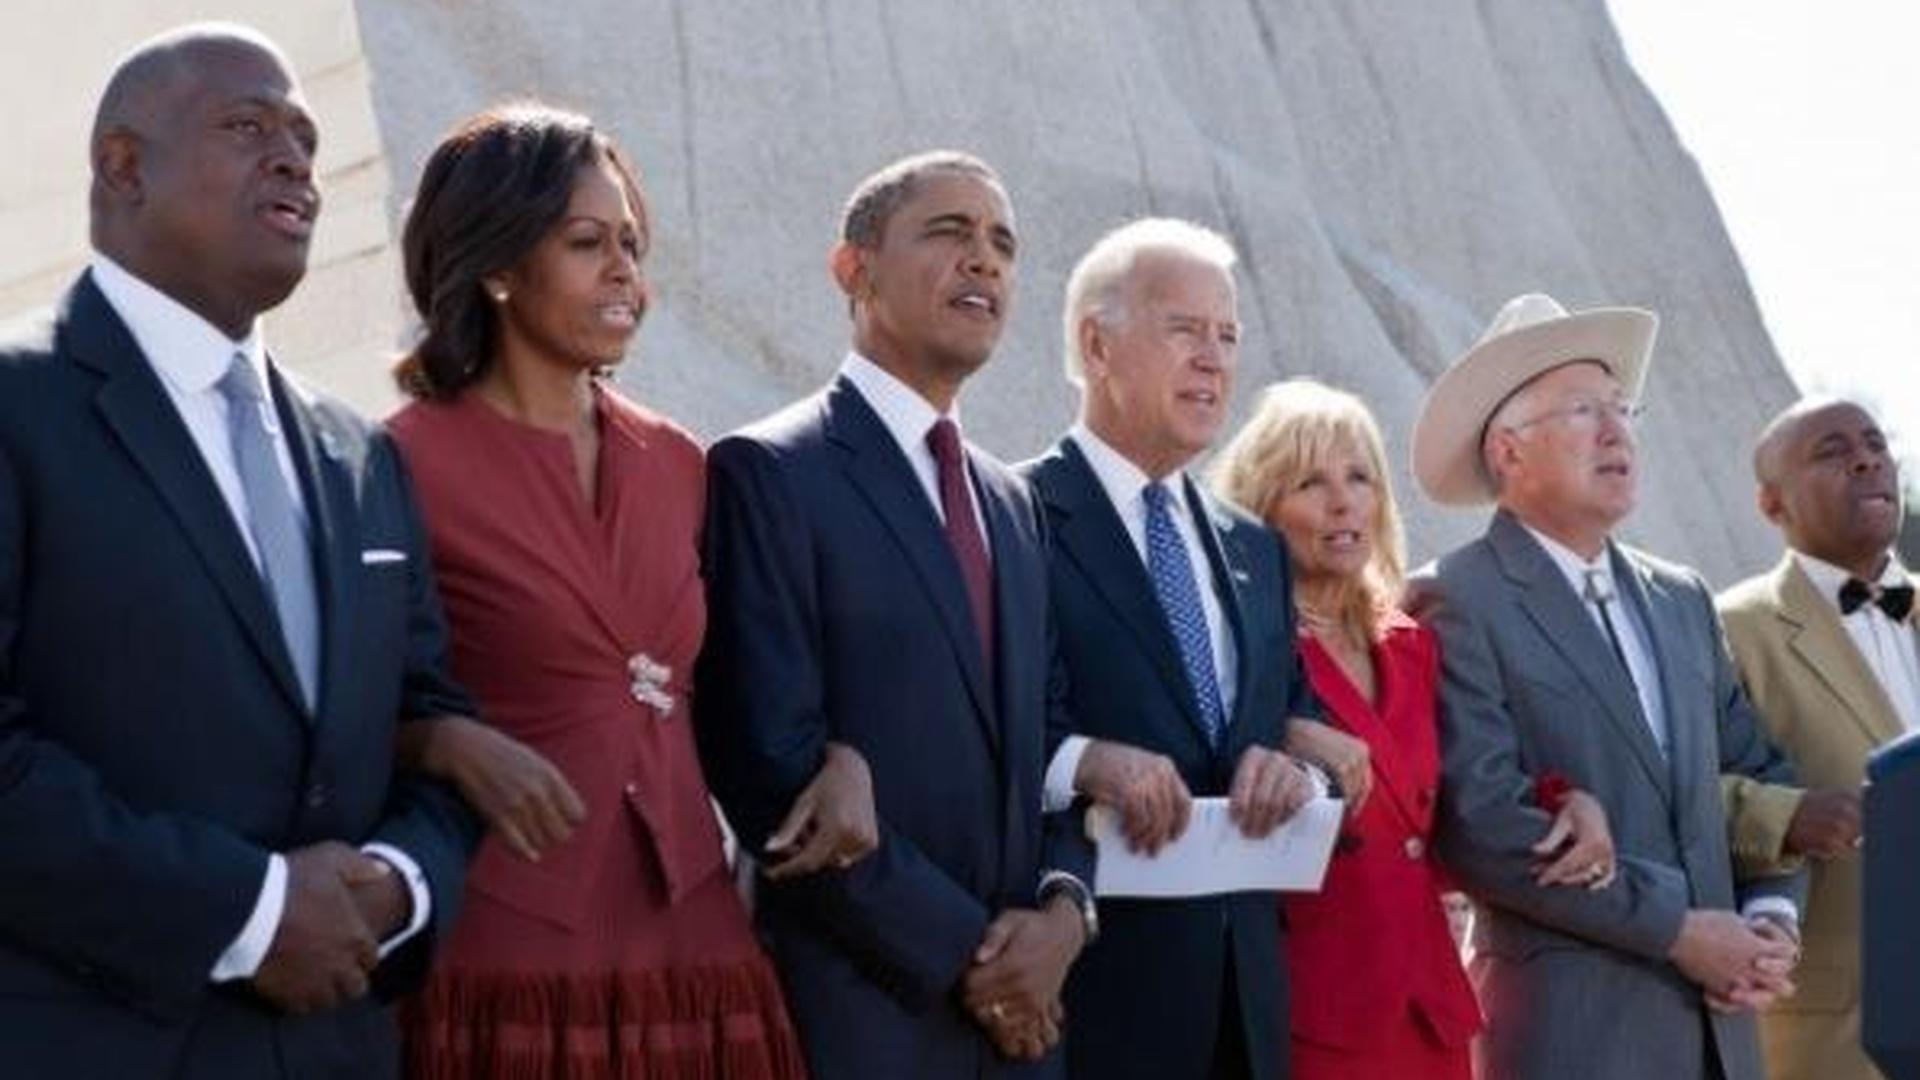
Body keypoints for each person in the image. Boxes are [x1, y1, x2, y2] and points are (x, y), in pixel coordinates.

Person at [0, 23, 481, 1077]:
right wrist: (247, 912)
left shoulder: (361, 454)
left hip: (338, 1045)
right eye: (248, 126)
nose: (296, 159)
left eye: (306, 137)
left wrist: (400, 884)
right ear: (122, 166)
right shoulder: (18, 404)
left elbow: (427, 723)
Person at [382, 105, 816, 1079]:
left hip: (700, 946)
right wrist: (439, 740)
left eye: (631, 244)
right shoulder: (395, 466)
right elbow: (341, 707)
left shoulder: (680, 463)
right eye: (587, 243)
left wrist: (842, 760)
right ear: (497, 266)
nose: (624, 270)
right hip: (511, 952)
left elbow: (736, 692)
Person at [695, 150, 1096, 1079]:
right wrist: (974, 960)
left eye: (1002, 244)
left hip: (1026, 1022)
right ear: (855, 269)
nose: (984, 259)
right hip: (862, 1012)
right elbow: (768, 767)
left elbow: (1054, 740)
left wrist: (1066, 914)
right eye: (949, 233)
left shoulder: (1013, 503)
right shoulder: (768, 473)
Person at [1405, 293, 1805, 1079]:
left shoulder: (1682, 597)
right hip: (1573, 1039)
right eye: (1584, 410)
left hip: (1724, 1040)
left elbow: (1758, 775)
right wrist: (1679, 931)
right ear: (1508, 452)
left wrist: (1770, 916)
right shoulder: (1455, 597)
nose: (1617, 430)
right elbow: (1483, 822)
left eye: (1623, 408)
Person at [1210, 378, 1621, 1080]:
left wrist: (1565, 801)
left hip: (1429, 1011)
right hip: (1312, 1014)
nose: (1344, 502)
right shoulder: (1237, 646)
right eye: (1310, 483)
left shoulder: (1411, 643)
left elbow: (1454, 805)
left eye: (1360, 478)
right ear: (1261, 508)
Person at [1019, 218, 1314, 1080]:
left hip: (1246, 1009)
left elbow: (1294, 716)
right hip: (1092, 1001)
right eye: (1184, 329)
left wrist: (1300, 772)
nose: (1214, 360)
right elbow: (975, 726)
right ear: (1095, 345)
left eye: (1229, 335)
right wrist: (1083, 761)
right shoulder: (1012, 516)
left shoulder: (1256, 547)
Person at [1714, 397, 1909, 1080]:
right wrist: (1786, 815)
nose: (1866, 460)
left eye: (1875, 444)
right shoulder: (1725, 627)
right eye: (1832, 451)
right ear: (1771, 504)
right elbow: (1669, 788)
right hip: (1837, 1033)